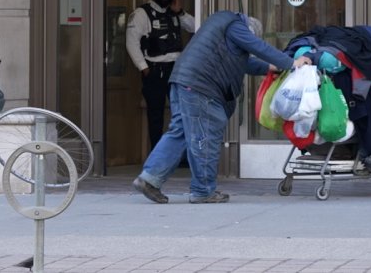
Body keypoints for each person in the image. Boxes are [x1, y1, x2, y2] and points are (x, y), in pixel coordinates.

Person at [132, 11, 313, 204]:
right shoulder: (235, 25)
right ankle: (203, 190)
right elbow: (257, 47)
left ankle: (149, 178)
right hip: (201, 88)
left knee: (180, 132)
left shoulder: (222, 28)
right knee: (205, 135)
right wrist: (291, 63)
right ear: (249, 30)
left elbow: (244, 62)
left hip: (182, 82)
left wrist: (269, 67)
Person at [125, 0, 197, 151]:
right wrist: (144, 68)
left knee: (180, 113)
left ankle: (181, 156)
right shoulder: (143, 13)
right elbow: (131, 42)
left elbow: (196, 27)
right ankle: (157, 155)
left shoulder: (175, 12)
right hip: (155, 70)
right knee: (156, 115)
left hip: (176, 70)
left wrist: (180, 12)